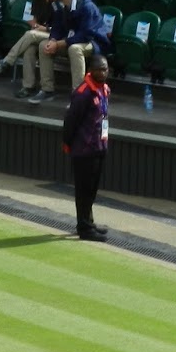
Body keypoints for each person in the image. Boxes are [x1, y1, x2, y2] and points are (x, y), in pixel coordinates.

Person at [33, 0, 109, 99]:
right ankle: (47, 89)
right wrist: (52, 40)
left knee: (75, 49)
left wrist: (59, 43)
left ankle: (78, 94)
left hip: (93, 42)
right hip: (73, 38)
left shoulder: (87, 7)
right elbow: (57, 27)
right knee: (44, 45)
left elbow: (85, 35)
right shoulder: (61, 5)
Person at [62, 52, 112, 241]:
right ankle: (84, 227)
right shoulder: (83, 93)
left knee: (92, 188)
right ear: (90, 71)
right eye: (99, 69)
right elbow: (71, 121)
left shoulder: (104, 89)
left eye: (105, 69)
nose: (103, 72)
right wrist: (67, 143)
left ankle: (88, 222)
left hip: (99, 146)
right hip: (84, 149)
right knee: (83, 190)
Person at [0, 0, 58, 96]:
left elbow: (62, 27)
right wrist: (35, 25)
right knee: (29, 48)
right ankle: (28, 86)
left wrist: (45, 29)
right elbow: (33, 20)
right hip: (40, 34)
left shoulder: (57, 1)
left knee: (30, 35)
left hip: (55, 36)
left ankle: (6, 61)